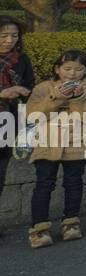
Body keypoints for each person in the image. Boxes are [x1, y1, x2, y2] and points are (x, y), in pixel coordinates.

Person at [24, 50, 86, 248]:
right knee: (44, 183)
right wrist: (57, 97)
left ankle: (71, 222)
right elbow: (31, 115)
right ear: (57, 69)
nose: (72, 73)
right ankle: (39, 227)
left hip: (77, 142)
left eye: (79, 69)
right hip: (46, 142)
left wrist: (78, 99)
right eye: (67, 68)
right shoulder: (44, 87)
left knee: (74, 182)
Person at [0, 15, 35, 236]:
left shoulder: (21, 60)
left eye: (14, 35)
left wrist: (23, 92)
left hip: (7, 123)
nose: (9, 40)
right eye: (4, 35)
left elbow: (30, 85)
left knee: (0, 174)